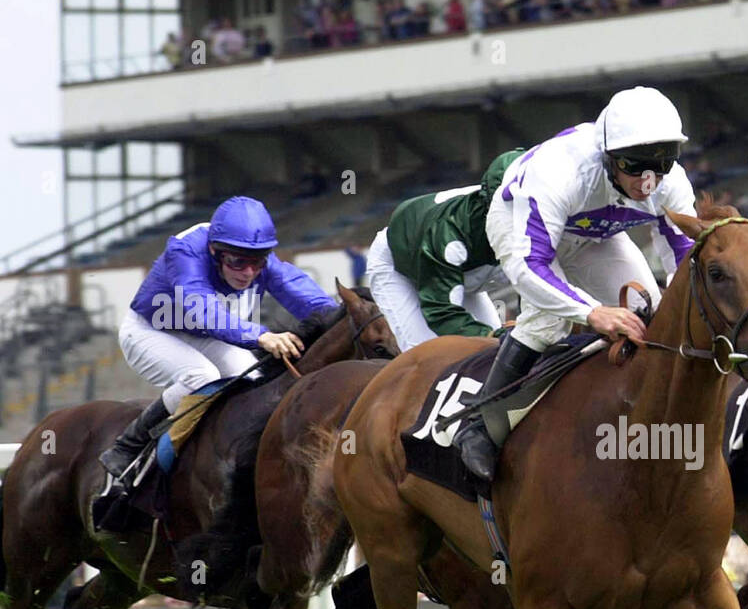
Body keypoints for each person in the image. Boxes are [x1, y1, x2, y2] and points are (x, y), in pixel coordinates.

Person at [453, 86, 697, 480]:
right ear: (609, 156)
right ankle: (480, 426)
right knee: (549, 321)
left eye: (663, 164)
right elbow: (530, 267)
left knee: (646, 313)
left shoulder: (672, 183)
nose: (648, 181)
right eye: (635, 165)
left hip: (594, 231)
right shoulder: (561, 170)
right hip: (521, 224)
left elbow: (684, 257)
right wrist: (592, 312)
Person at [99, 196, 335, 481]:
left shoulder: (254, 258)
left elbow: (298, 289)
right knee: (202, 376)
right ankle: (127, 447)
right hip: (151, 331)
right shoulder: (185, 251)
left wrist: (344, 316)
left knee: (251, 381)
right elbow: (204, 311)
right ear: (214, 250)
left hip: (206, 335)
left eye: (257, 263)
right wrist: (261, 336)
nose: (248, 273)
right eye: (237, 262)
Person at [365, 148, 524, 351]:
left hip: (459, 272)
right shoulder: (450, 233)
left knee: (500, 351)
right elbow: (442, 311)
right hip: (401, 267)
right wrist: (493, 335)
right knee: (428, 352)